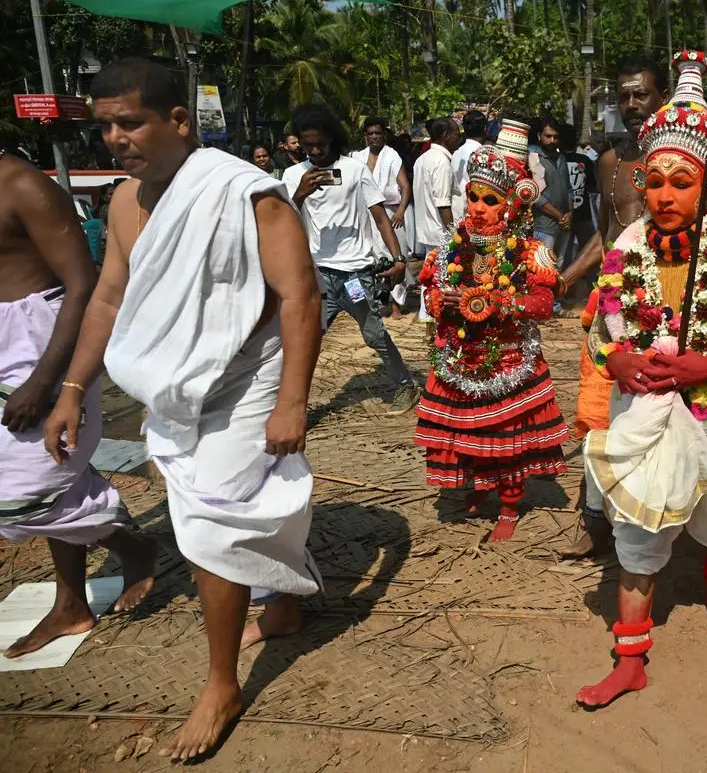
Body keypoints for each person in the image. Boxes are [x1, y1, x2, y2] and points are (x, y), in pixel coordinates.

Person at [43, 57, 324, 762]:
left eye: (130, 122)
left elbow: (300, 295)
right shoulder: (123, 203)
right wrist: (72, 389)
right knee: (241, 507)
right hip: (175, 390)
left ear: (177, 120)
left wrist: (292, 401)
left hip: (248, 380)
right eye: (105, 126)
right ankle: (283, 605)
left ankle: (221, 684)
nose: (115, 138)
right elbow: (109, 298)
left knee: (210, 525)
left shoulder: (246, 193)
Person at [577, 49, 707, 709]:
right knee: (635, 532)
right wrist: (614, 360)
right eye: (655, 182)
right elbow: (597, 333)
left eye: (681, 182)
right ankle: (629, 661)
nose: (665, 195)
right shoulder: (624, 253)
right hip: (643, 407)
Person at [1, 149, 155, 658]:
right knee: (51, 477)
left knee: (26, 490)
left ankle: (126, 541)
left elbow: (83, 282)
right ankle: (71, 604)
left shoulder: (21, 184)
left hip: (40, 343)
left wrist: (47, 381)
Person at [415, 120, 568, 542]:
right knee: (469, 431)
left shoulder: (530, 252)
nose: (478, 208)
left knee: (507, 436)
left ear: (512, 204)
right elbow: (429, 290)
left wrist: (497, 303)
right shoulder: (451, 246)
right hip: (461, 357)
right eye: (473, 196)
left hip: (509, 360)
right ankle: (480, 487)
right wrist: (440, 301)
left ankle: (510, 505)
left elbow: (543, 305)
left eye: (490, 200)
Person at [282, 104, 418, 411]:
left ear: (331, 137)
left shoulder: (355, 170)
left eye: (320, 143)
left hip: (355, 277)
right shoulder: (293, 176)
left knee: (374, 334)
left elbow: (380, 217)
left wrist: (399, 259)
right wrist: (300, 193)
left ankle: (405, 385)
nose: (315, 151)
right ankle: (293, 407)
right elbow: (284, 222)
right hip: (318, 278)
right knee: (306, 341)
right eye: (307, 145)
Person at [351, 116, 412, 316]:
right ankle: (371, 302)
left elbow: (405, 186)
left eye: (378, 133)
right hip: (365, 215)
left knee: (397, 256)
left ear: (384, 135)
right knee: (370, 258)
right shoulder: (357, 158)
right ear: (365, 136)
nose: (375, 137)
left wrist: (401, 210)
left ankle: (396, 305)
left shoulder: (392, 156)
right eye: (371, 133)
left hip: (391, 213)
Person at [412, 117, 461, 321]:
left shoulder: (423, 159)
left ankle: (429, 316)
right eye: (457, 133)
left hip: (429, 229)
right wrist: (454, 235)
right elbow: (443, 204)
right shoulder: (440, 162)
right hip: (441, 232)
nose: (459, 137)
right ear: (446, 136)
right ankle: (432, 316)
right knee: (440, 278)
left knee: (431, 276)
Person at [529, 117, 574, 269]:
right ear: (539, 136)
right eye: (548, 136)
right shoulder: (534, 158)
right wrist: (560, 216)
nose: (552, 141)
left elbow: (568, 189)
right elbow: (536, 196)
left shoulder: (561, 158)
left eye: (555, 137)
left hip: (564, 226)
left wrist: (570, 214)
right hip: (544, 227)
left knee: (559, 267)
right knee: (543, 269)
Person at [560, 122, 599, 290]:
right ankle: (593, 289)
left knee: (564, 255)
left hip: (562, 216)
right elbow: (593, 187)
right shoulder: (585, 160)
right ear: (576, 140)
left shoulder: (557, 160)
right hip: (583, 215)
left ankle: (566, 292)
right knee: (589, 253)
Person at [451, 110, 487, 223]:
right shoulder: (483, 155)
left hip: (456, 211)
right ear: (485, 128)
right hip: (474, 214)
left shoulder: (456, 152)